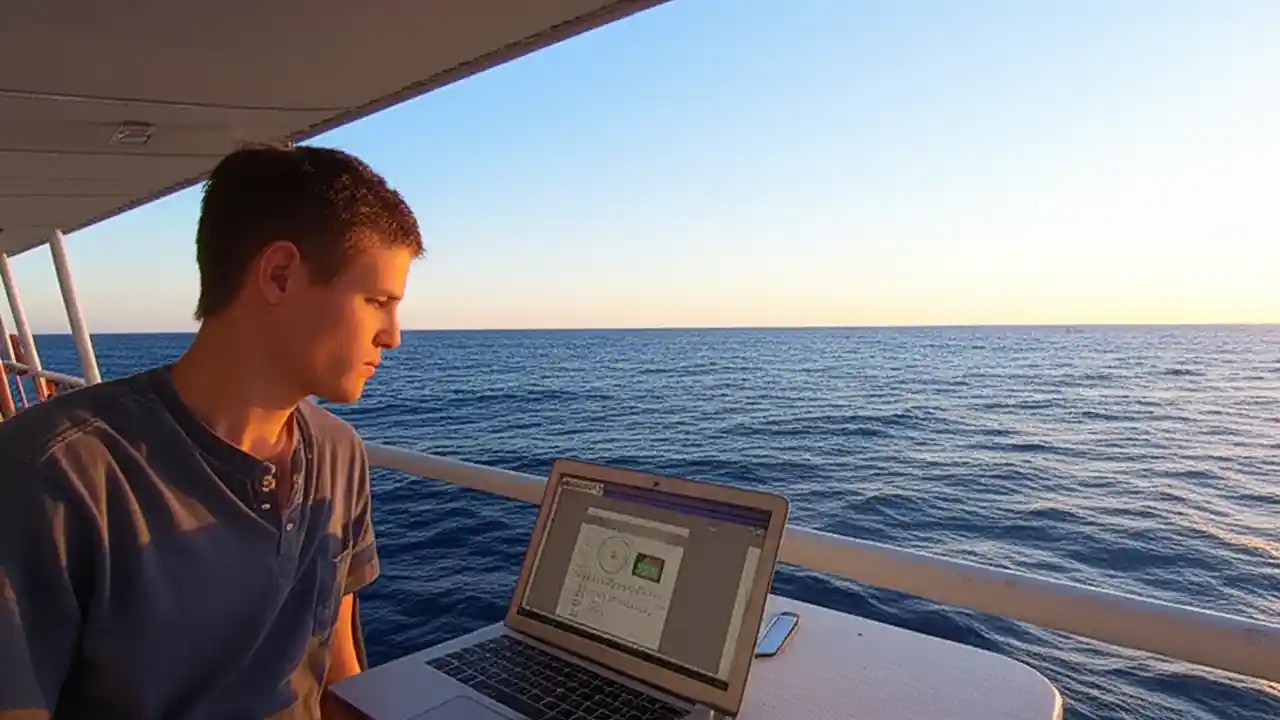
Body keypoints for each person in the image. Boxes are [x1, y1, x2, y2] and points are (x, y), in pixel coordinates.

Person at [0, 145, 423, 719]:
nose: (393, 335)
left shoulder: (339, 454)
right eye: (377, 301)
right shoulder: (52, 475)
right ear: (279, 276)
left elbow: (338, 678)